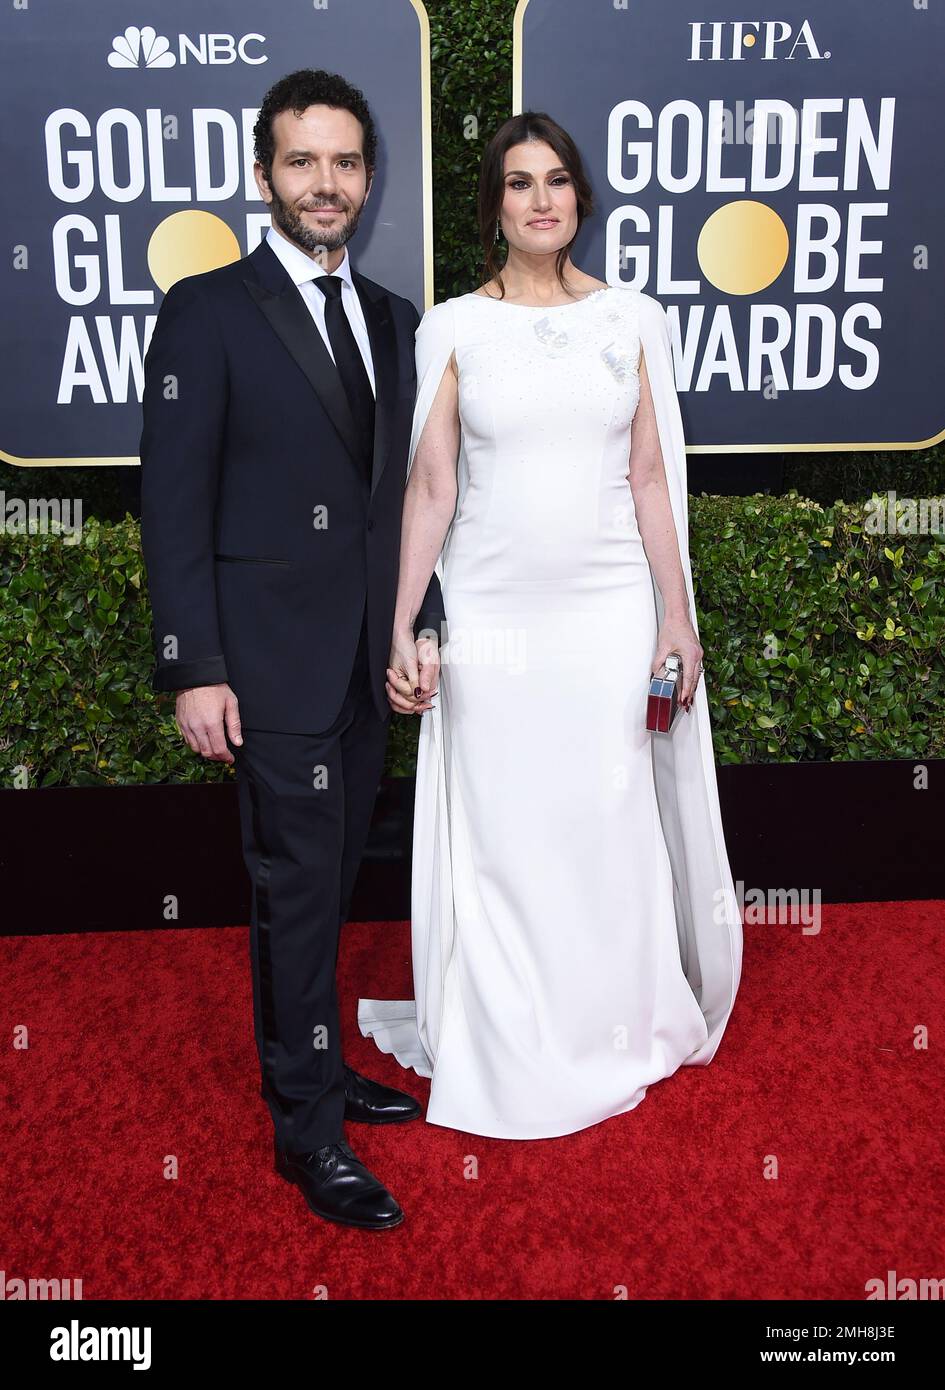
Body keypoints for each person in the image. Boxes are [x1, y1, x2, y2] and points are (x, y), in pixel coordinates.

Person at [359, 112, 743, 1139]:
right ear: (492, 206)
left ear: (580, 199)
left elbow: (653, 478)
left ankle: (612, 1018)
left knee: (605, 820)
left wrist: (678, 618)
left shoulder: (633, 318)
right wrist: (404, 623)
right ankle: (506, 1032)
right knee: (504, 823)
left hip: (609, 610)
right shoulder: (450, 327)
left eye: (558, 181)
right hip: (489, 612)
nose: (541, 199)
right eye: (519, 182)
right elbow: (431, 486)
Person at [139, 69, 445, 1229]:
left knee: (328, 885)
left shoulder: (394, 323)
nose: (328, 184)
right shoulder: (209, 311)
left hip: (367, 663)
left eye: (347, 163)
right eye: (303, 161)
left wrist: (421, 625)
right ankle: (306, 1130)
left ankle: (316, 1069)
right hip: (263, 666)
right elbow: (173, 501)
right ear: (263, 175)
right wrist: (193, 664)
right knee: (299, 893)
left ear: (370, 180)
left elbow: (410, 502)